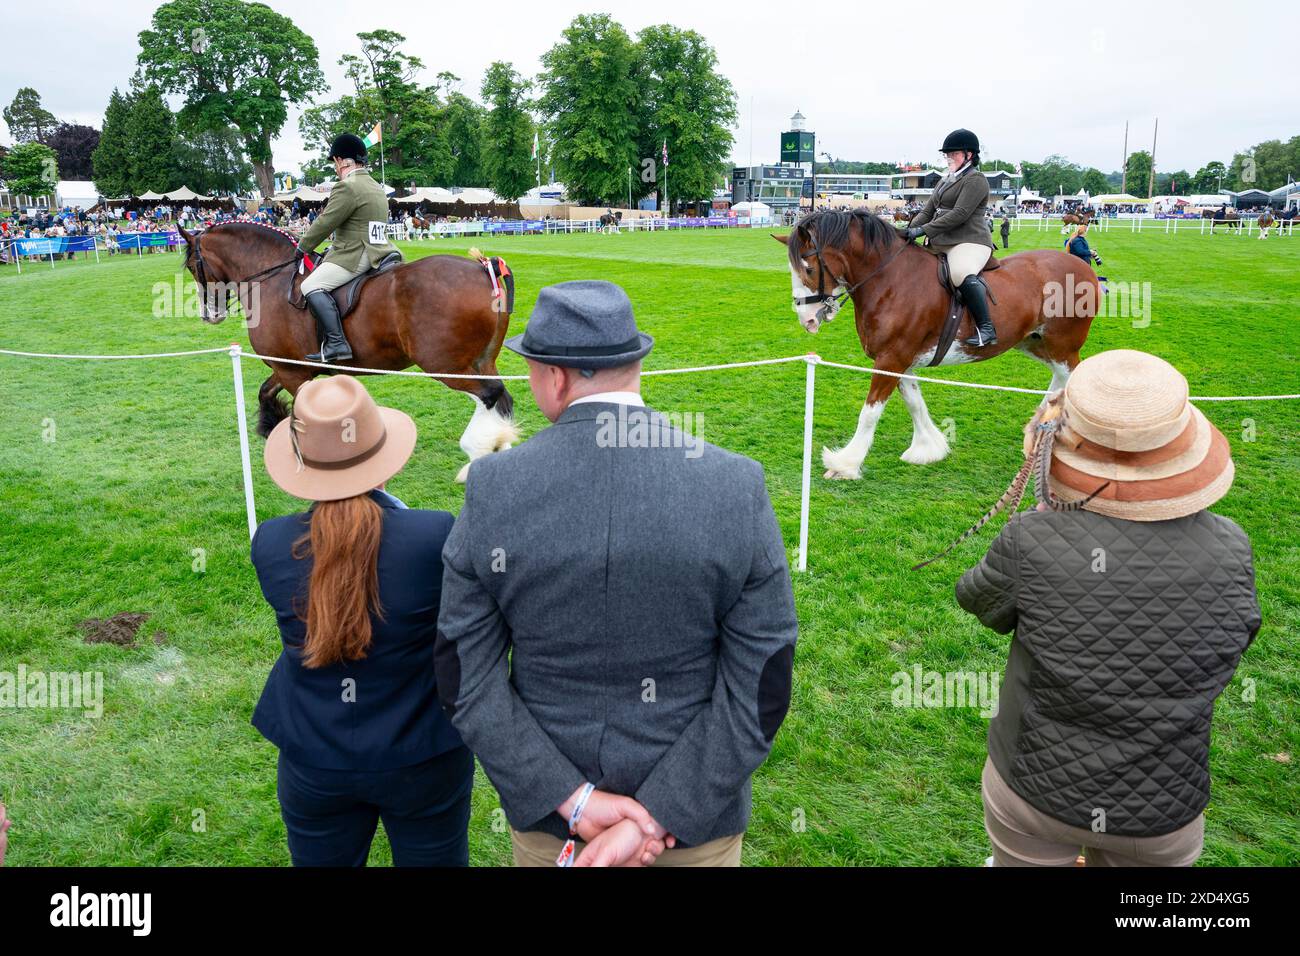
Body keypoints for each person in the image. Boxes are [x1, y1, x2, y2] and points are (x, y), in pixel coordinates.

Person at [434, 280, 799, 867]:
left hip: (559, 827)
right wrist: (656, 814)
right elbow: (764, 681)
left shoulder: (493, 487)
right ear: (634, 365)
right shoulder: (735, 484)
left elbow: (463, 679)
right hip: (690, 829)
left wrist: (576, 803)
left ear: (554, 377)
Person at [955, 349, 1260, 866]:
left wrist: (1045, 533)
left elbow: (980, 600)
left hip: (1034, 787)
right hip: (1163, 808)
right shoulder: (1232, 547)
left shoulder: (1034, 537)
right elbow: (1235, 638)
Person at [250, 375, 472, 866]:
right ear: (383, 454)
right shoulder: (432, 534)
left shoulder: (270, 543)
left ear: (300, 464)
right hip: (423, 754)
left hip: (315, 756)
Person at [295, 133, 401, 364]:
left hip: (357, 253)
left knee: (310, 284)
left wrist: (303, 247)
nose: (335, 168)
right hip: (382, 248)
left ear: (343, 161)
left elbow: (326, 222)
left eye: (335, 162)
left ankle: (336, 343)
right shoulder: (375, 186)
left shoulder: (347, 186)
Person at [899, 129, 998, 347]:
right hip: (942, 241)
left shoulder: (976, 180)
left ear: (969, 155)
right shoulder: (945, 180)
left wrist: (924, 231)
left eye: (953, 153)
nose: (949, 157)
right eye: (947, 154)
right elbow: (927, 211)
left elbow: (959, 214)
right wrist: (906, 231)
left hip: (969, 240)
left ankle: (986, 329)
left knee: (960, 272)